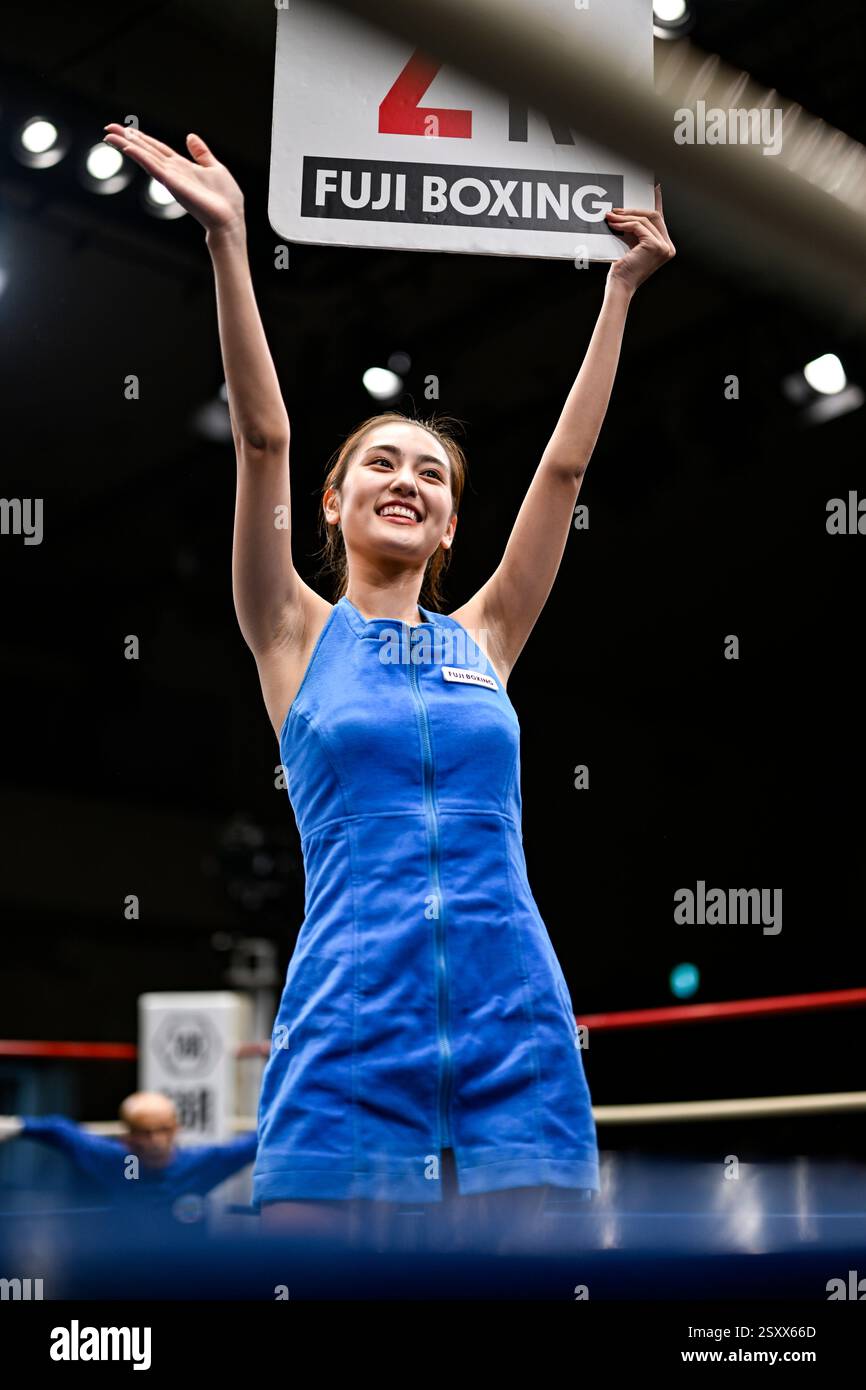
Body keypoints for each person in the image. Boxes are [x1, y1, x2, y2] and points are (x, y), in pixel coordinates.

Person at [102, 123, 675, 1243]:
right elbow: (261, 439)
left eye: (430, 473)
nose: (405, 479)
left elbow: (562, 471)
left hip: (512, 1012)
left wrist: (619, 293)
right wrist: (225, 237)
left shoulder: (490, 631)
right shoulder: (287, 630)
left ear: (452, 524)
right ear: (332, 500)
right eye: (380, 460)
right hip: (353, 1014)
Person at [0, 1091, 257, 1212]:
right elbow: (60, 1131)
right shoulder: (114, 1162)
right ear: (128, 1137)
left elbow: (254, 1142)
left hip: (184, 1275)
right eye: (145, 1132)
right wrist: (15, 1125)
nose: (156, 1140)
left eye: (164, 1129)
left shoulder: (201, 1163)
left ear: (177, 1129)